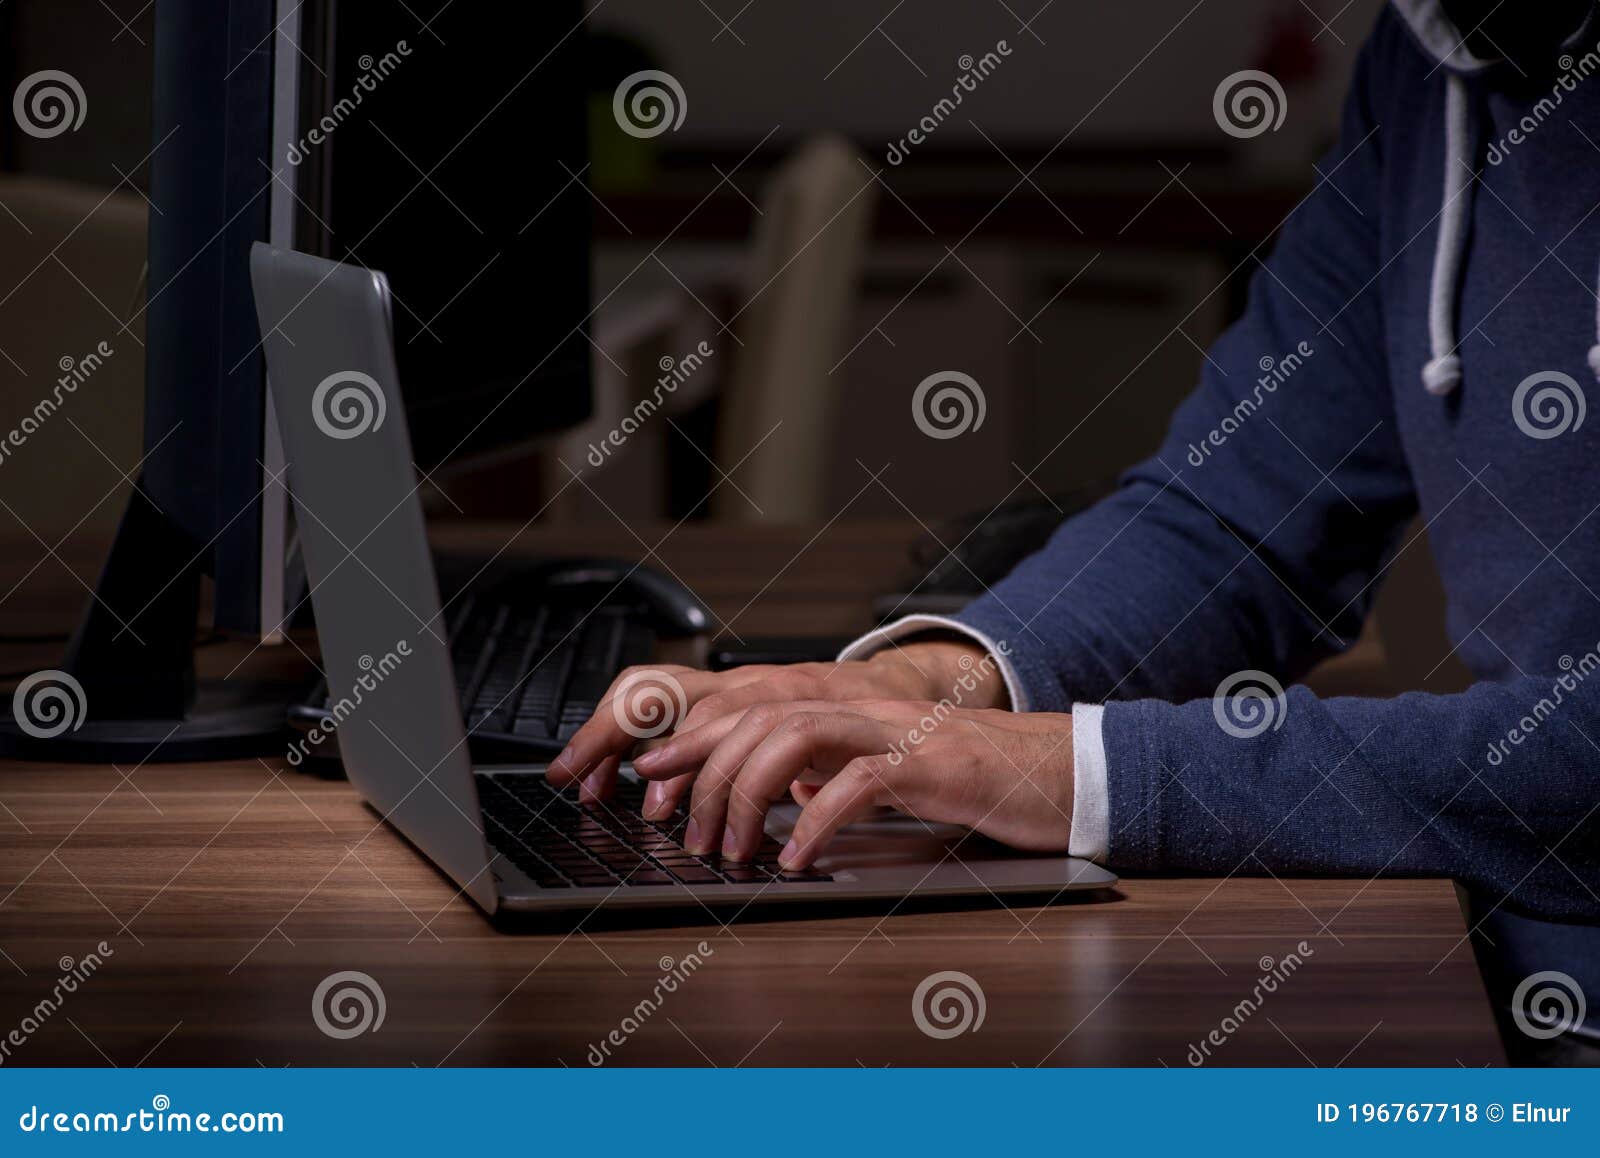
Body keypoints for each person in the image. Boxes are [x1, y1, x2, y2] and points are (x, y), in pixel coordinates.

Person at [552, 0, 1600, 1059]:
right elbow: (1236, 513)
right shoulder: (1425, 57)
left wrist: (1078, 770)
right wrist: (933, 682)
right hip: (1510, 983)